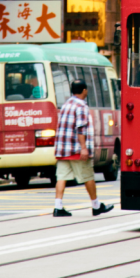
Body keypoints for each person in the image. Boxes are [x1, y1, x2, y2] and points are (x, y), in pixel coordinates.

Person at [53, 79, 114, 217]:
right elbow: (80, 128)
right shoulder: (81, 106)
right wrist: (84, 148)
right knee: (88, 176)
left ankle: (58, 207)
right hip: (76, 150)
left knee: (61, 177)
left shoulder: (66, 105)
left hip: (63, 149)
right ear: (84, 90)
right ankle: (96, 205)